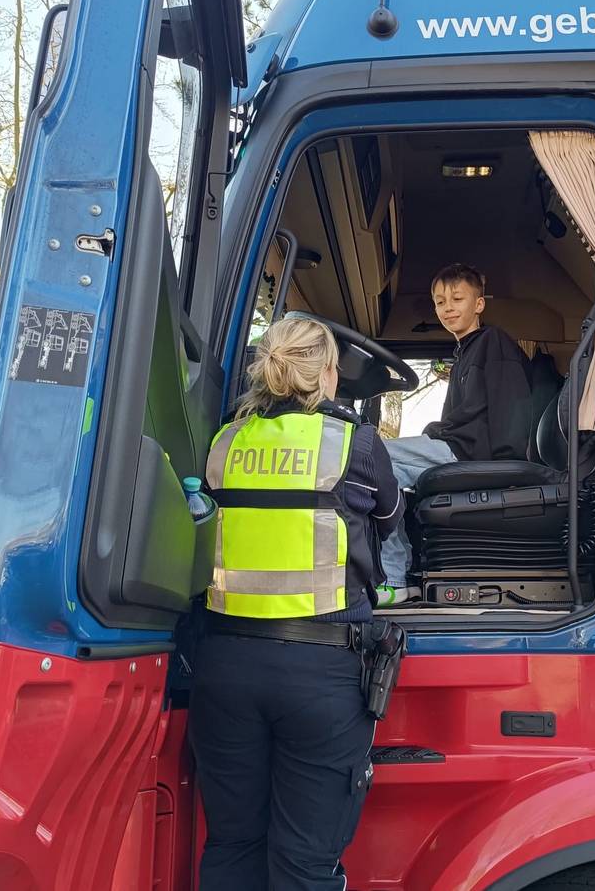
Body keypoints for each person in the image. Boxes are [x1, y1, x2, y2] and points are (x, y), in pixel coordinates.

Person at [189, 316, 404, 891]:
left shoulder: (225, 440)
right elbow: (388, 518)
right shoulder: (354, 442)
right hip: (321, 676)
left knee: (232, 845)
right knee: (304, 865)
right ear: (329, 374)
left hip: (225, 670)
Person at [378, 263, 532, 602]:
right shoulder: (463, 353)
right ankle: (401, 575)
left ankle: (393, 577)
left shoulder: (493, 343)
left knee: (375, 454)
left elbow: (511, 403)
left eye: (457, 298)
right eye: (439, 301)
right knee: (387, 469)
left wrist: (507, 466)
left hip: (470, 452)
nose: (447, 308)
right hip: (457, 445)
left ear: (478, 304)